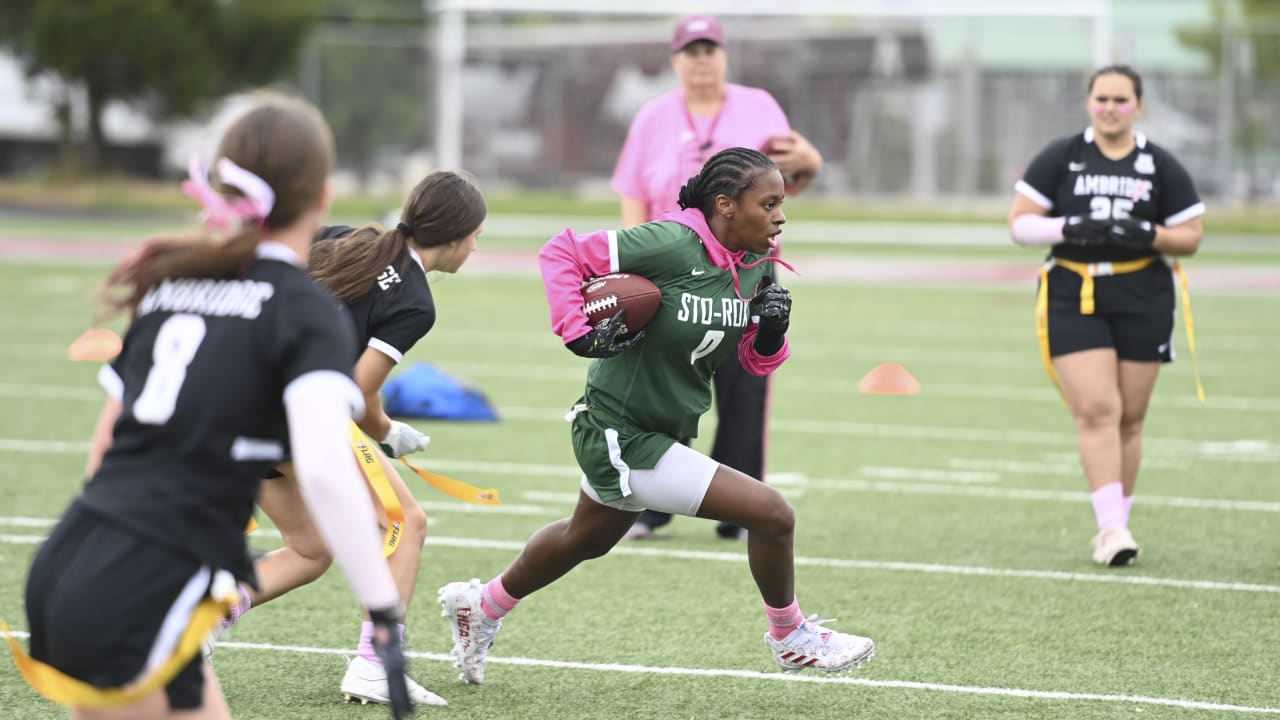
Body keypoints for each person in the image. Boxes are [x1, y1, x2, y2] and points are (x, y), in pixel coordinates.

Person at [12, 94, 412, 720]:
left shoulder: (172, 282)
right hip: (146, 585)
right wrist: (382, 609)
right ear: (323, 196)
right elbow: (328, 469)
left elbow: (104, 451)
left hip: (74, 557)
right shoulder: (303, 310)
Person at [437, 147, 875, 687]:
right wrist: (576, 331)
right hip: (618, 430)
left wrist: (773, 332)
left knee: (586, 538)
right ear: (726, 205)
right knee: (772, 513)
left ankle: (481, 605)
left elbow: (751, 362)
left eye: (782, 203)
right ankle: (791, 636)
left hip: (663, 427)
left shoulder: (757, 264)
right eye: (770, 203)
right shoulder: (670, 242)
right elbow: (562, 251)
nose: (782, 215)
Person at [207, 170, 487, 708]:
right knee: (405, 522)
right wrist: (388, 431)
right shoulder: (416, 301)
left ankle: (203, 616)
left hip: (236, 402)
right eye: (476, 234)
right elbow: (356, 393)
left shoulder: (345, 237)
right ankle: (377, 664)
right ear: (454, 236)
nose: (476, 245)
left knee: (310, 549)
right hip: (293, 412)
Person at [612, 14, 824, 542]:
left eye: (710, 49)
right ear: (675, 60)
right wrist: (638, 265)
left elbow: (789, 178)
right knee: (666, 382)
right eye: (691, 51)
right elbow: (634, 195)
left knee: (746, 386)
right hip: (675, 270)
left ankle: (742, 507)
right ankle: (652, 504)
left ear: (724, 55)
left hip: (750, 267)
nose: (702, 59)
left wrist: (811, 163)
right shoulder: (653, 117)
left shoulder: (759, 106)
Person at [1007, 64, 1204, 567]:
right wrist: (1072, 226)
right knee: (1098, 409)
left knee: (1131, 418)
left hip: (1143, 292)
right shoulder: (1063, 155)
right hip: (1075, 290)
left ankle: (1118, 519)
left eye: (1121, 100)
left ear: (1138, 105)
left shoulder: (1159, 163)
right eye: (1102, 99)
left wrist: (1147, 235)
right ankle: (1111, 528)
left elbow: (1191, 235)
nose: (1111, 108)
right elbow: (1021, 224)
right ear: (1088, 102)